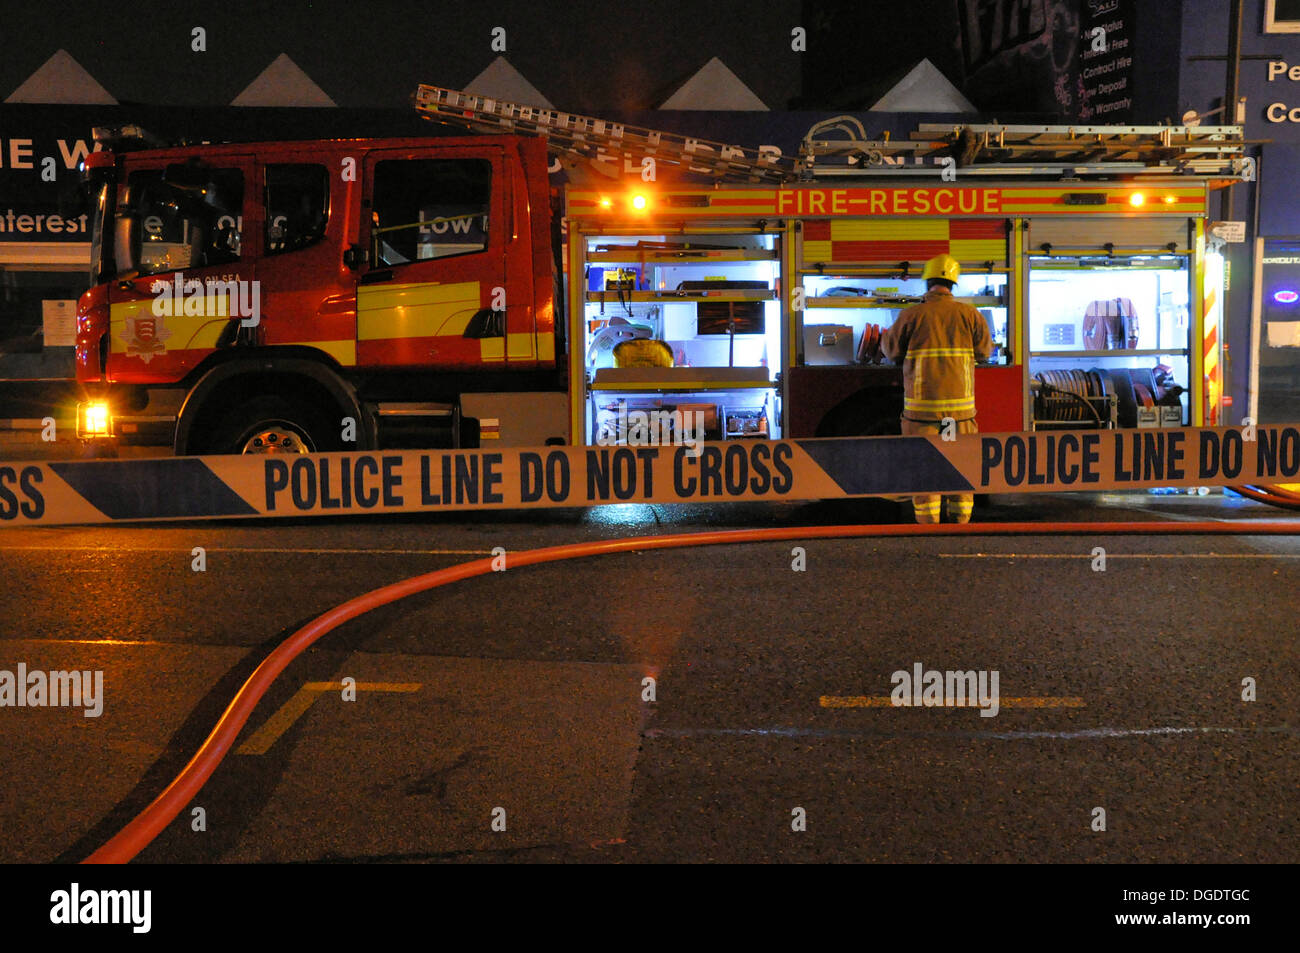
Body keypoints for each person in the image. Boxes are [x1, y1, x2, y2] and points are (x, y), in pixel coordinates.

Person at [881, 254, 992, 524]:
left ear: (927, 282)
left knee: (924, 469)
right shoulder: (971, 314)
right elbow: (985, 353)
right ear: (953, 283)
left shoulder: (911, 315)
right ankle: (960, 523)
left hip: (923, 416)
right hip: (960, 415)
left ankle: (929, 527)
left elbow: (891, 352)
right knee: (960, 466)